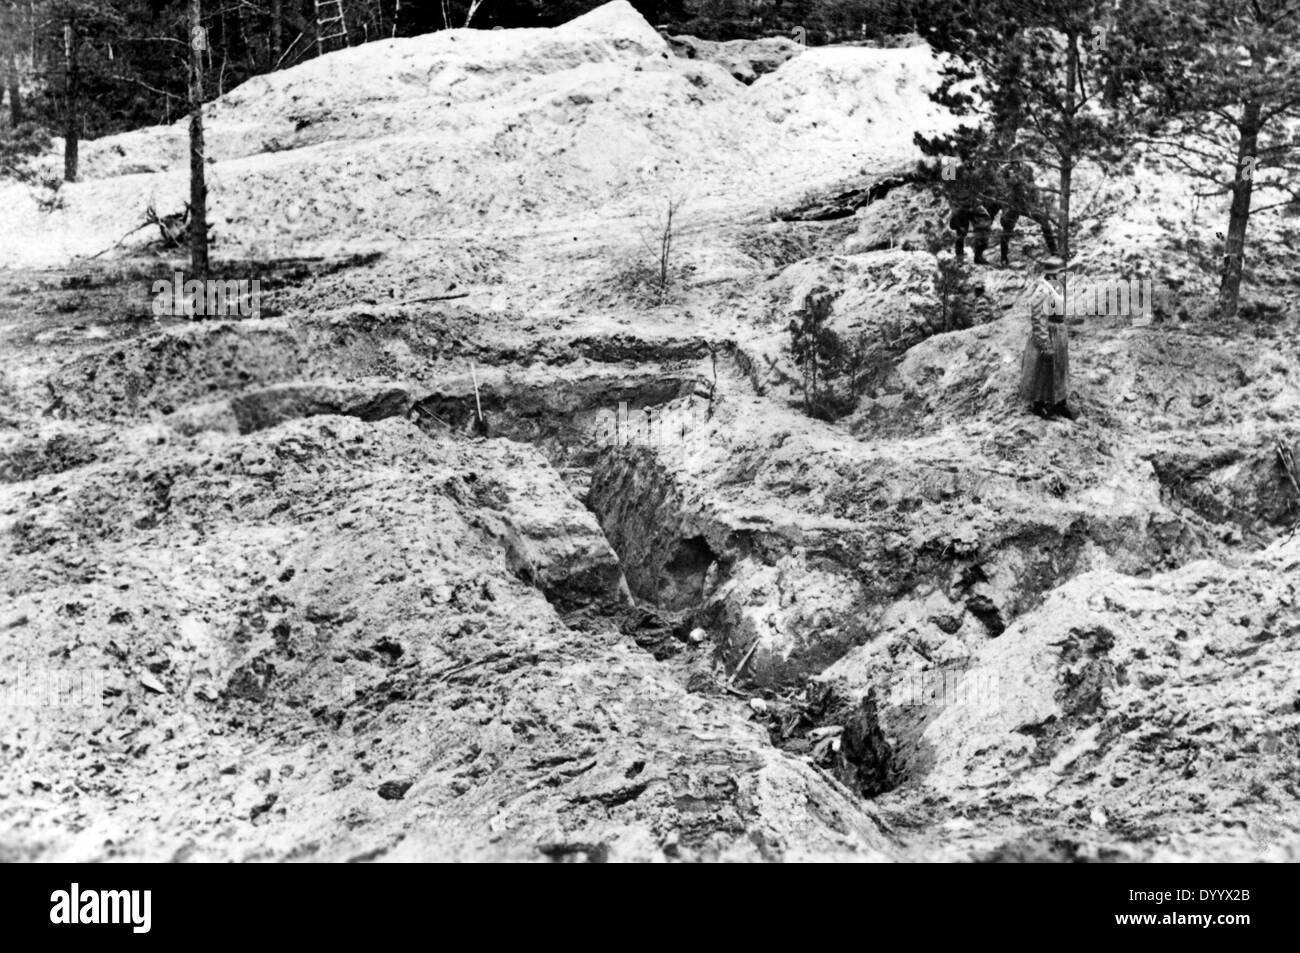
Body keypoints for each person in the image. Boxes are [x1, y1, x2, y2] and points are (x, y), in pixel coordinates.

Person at [1019, 257, 1076, 420]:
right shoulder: (1043, 291)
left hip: (1058, 332)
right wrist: (1045, 344)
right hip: (1047, 332)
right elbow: (1038, 318)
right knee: (1042, 370)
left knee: (1059, 368)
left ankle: (1059, 402)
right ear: (1053, 274)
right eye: (1061, 273)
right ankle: (1039, 404)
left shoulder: (1057, 288)